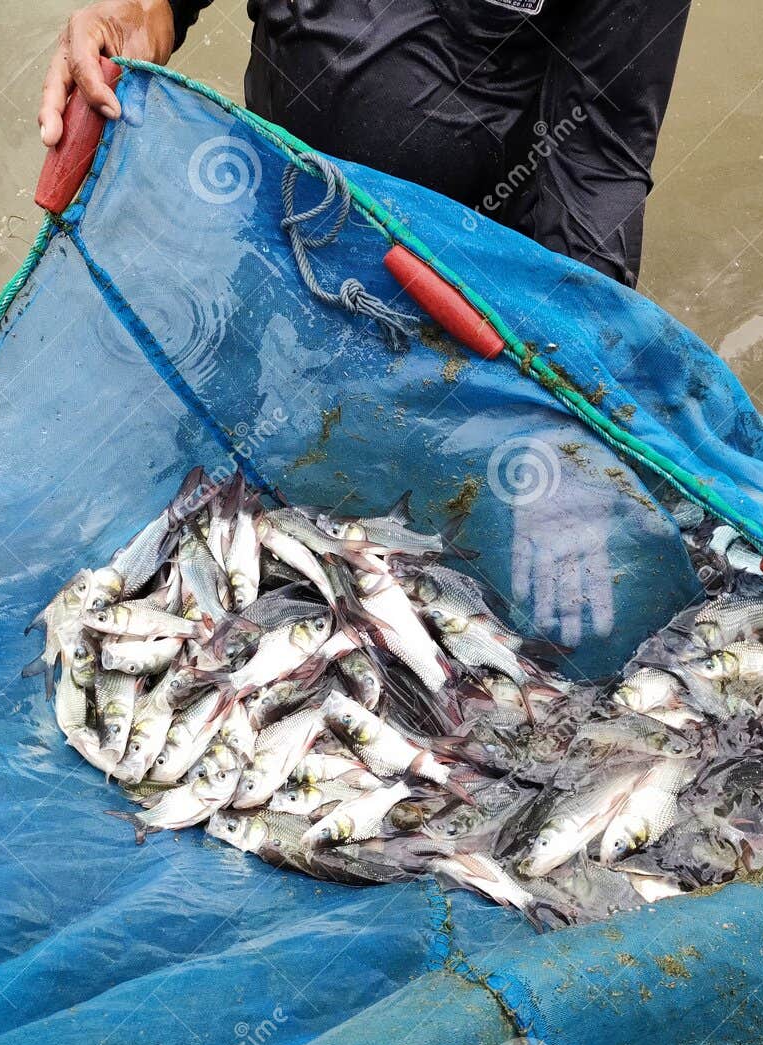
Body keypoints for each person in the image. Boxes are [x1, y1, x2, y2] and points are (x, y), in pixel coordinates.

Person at [38, 0, 692, 648]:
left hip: (465, 315)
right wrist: (143, 10)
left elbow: (595, 167)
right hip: (272, 242)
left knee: (534, 605)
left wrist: (560, 420)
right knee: (190, 526)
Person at [38, 0, 692, 287]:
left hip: (460, 281)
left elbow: (596, 163)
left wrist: (568, 392)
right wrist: (135, 13)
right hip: (269, 220)